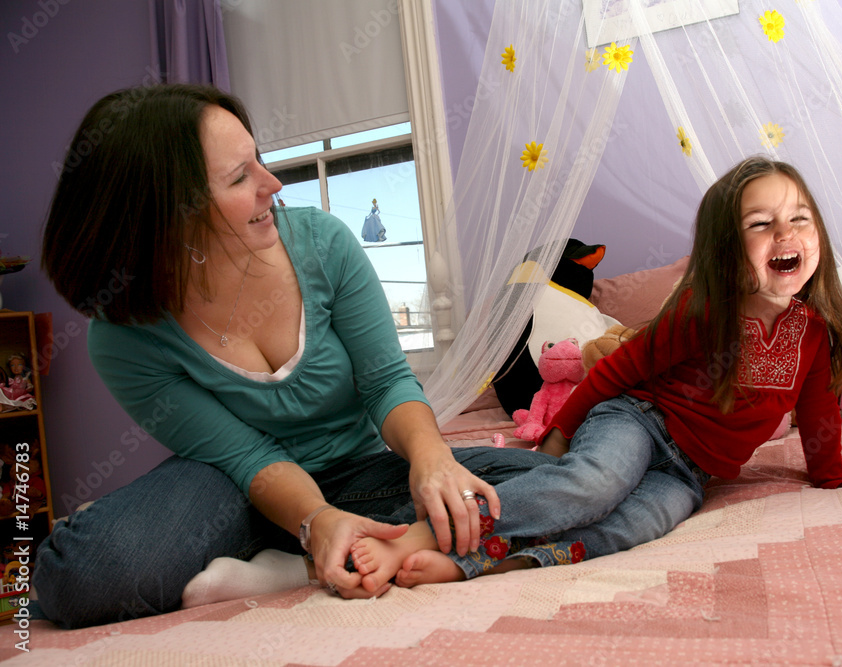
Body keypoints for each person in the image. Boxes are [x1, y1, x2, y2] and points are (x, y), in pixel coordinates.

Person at [34, 83, 547, 628]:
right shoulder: (123, 337)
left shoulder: (324, 245)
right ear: (167, 217)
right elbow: (245, 456)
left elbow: (386, 383)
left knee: (542, 480)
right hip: (233, 485)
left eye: (258, 160)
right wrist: (314, 519)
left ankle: (290, 566)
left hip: (364, 473)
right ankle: (311, 543)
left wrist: (430, 458)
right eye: (240, 177)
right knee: (80, 578)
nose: (273, 185)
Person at [348, 156, 842, 592]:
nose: (786, 232)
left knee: (634, 526)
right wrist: (561, 430)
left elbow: (820, 411)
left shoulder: (816, 333)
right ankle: (420, 535)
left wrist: (831, 475)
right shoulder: (704, 310)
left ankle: (491, 564)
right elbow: (619, 369)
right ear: (727, 250)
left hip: (690, 473)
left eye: (799, 218)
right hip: (639, 419)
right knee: (593, 484)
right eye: (761, 223)